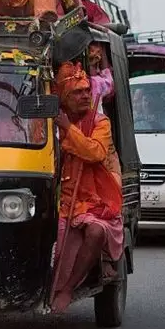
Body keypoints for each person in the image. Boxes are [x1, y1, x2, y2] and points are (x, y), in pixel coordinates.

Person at [51, 62, 123, 312]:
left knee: (95, 232)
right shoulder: (51, 123)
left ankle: (68, 289)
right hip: (61, 201)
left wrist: (68, 129)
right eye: (77, 92)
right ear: (63, 97)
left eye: (86, 91)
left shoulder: (100, 122)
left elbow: (95, 152)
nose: (84, 96)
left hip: (96, 201)